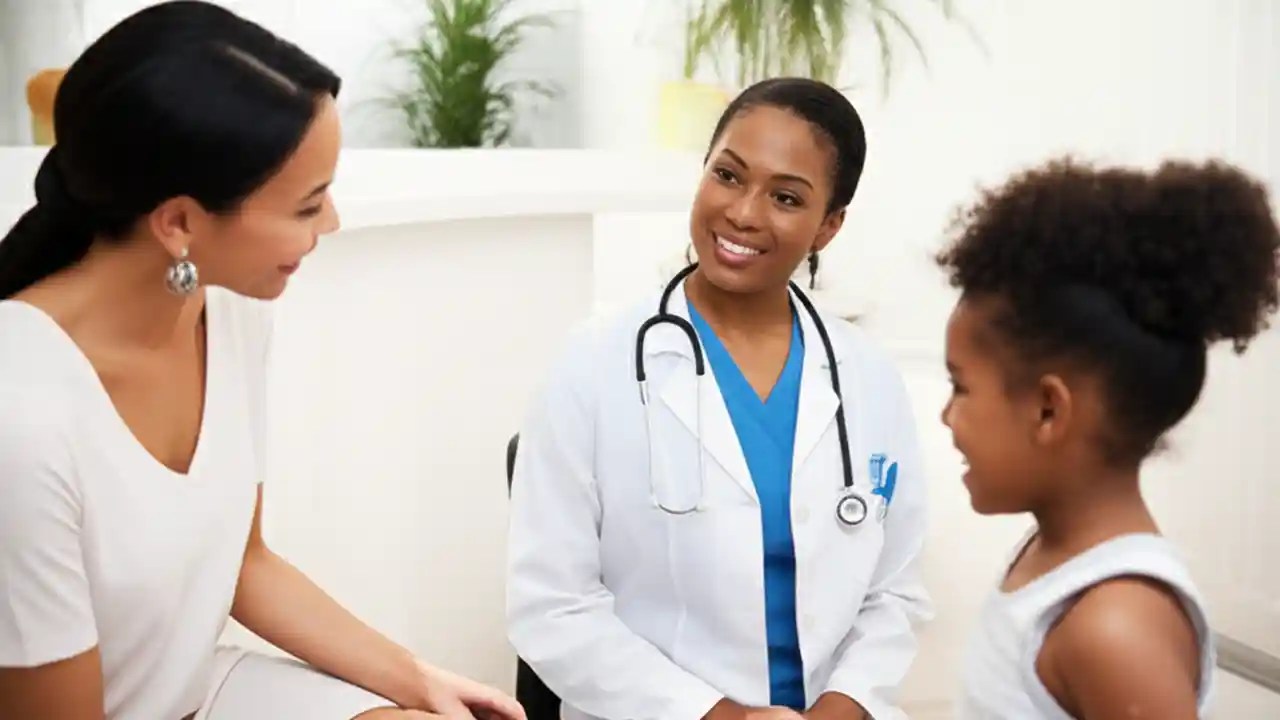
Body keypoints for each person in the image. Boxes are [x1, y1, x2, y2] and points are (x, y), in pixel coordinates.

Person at [0, 3, 525, 720]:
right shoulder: (21, 413)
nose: (331, 223)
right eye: (308, 205)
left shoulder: (229, 308)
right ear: (180, 222)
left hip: (195, 690)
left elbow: (245, 563)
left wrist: (416, 680)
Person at [506, 77, 932, 720]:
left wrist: (846, 705)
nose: (744, 213)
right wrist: (718, 716)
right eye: (728, 176)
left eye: (786, 197)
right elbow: (552, 607)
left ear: (828, 226)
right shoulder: (591, 367)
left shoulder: (867, 378)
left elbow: (894, 592)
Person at [936, 157, 1280, 719]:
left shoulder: (1113, 625)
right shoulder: (1049, 560)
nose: (947, 416)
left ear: (1049, 409)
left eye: (961, 386)